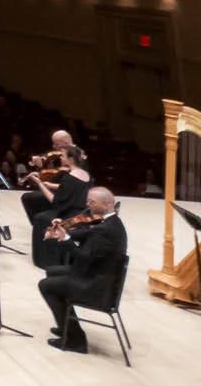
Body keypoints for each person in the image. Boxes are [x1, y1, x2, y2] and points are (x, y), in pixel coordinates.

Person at [37, 186, 127, 353]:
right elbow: (87, 233)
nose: (87, 205)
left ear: (107, 204)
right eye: (87, 201)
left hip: (97, 286)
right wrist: (64, 230)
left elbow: (83, 256)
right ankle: (67, 326)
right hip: (99, 273)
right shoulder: (109, 221)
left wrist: (66, 239)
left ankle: (75, 340)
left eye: (92, 202)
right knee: (52, 271)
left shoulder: (106, 229)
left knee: (45, 285)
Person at [27, 147, 91, 267]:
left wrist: (40, 184)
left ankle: (44, 261)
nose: (60, 158)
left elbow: (55, 202)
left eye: (63, 156)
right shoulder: (86, 174)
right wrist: (51, 185)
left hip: (70, 214)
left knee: (40, 218)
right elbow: (75, 189)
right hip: (83, 212)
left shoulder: (69, 177)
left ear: (71, 159)